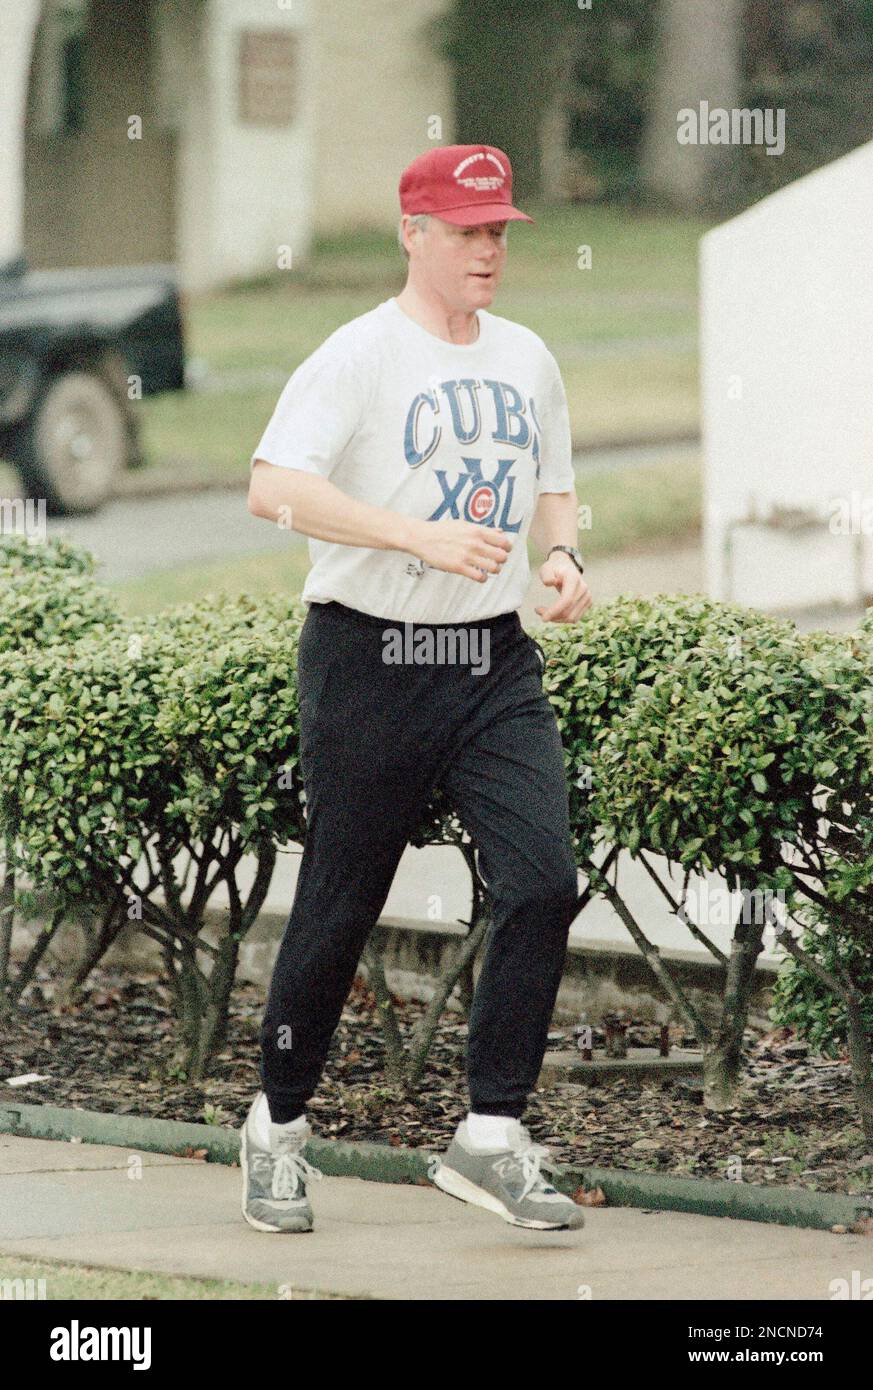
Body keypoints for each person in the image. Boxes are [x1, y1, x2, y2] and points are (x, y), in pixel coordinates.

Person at [241, 144, 592, 1233]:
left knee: (542, 878)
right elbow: (271, 489)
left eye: (498, 231)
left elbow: (556, 484)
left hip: (489, 660)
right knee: (342, 905)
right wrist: (411, 537)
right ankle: (277, 1126)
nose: (488, 250)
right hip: (370, 657)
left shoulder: (528, 356)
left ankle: (491, 1132)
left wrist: (566, 557)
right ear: (413, 234)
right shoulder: (358, 355)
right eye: (465, 231)